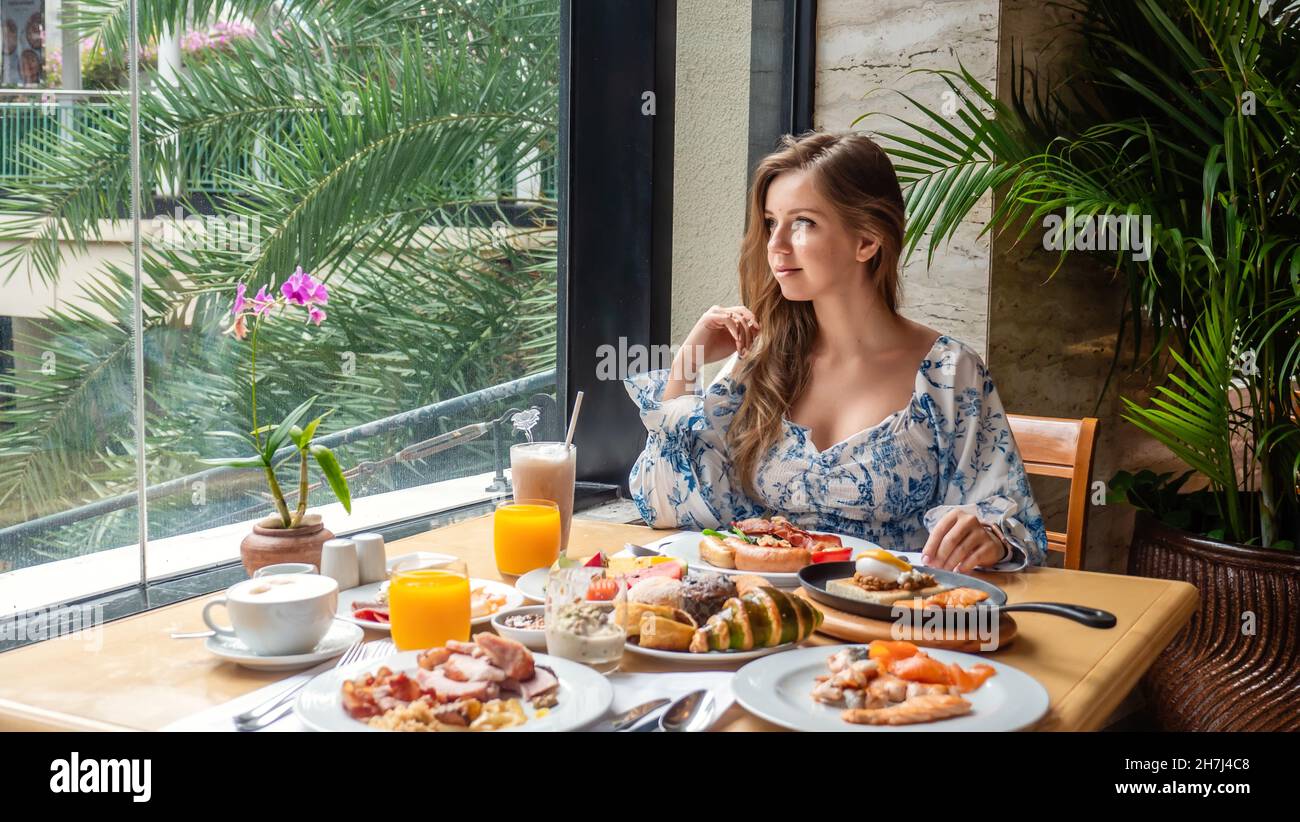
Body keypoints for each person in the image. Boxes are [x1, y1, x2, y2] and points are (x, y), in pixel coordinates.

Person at [624, 131, 1047, 573]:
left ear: (866, 242)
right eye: (771, 223)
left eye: (802, 222)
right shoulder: (760, 361)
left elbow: (1015, 524)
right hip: (771, 619)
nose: (776, 244)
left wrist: (989, 536)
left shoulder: (947, 373)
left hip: (891, 622)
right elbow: (664, 506)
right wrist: (688, 360)